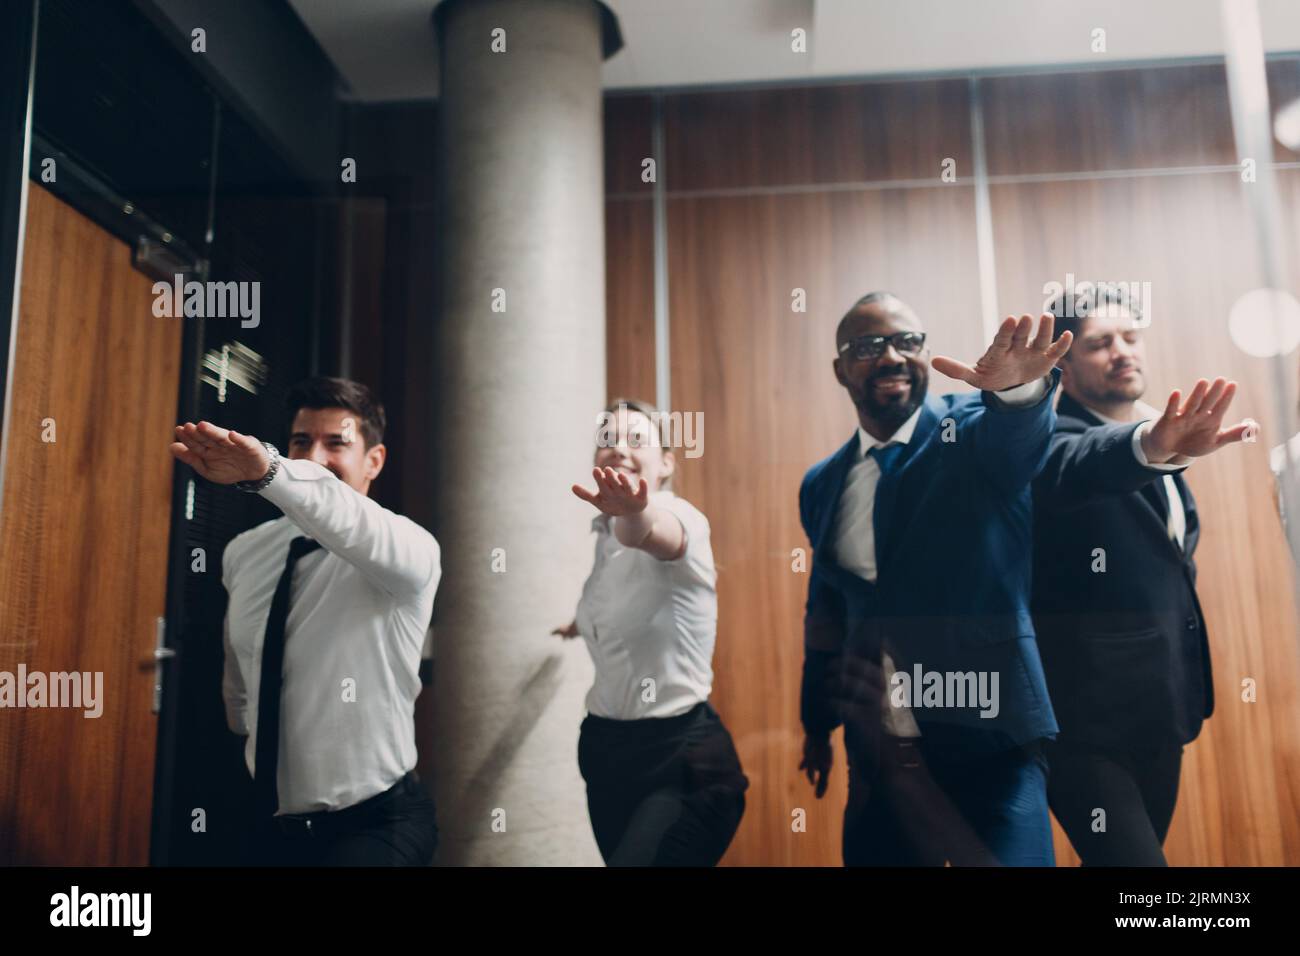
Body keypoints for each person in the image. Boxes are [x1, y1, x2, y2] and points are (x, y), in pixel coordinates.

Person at [798, 292, 1071, 866]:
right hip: (880, 747)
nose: (893, 356)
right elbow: (825, 608)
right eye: (869, 346)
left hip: (993, 738)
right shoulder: (822, 484)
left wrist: (1018, 397)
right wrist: (817, 724)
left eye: (907, 342)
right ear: (840, 369)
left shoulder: (970, 428)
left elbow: (1015, 444)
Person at [169, 377, 441, 866]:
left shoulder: (407, 550)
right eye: (300, 442)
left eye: (336, 443)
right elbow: (241, 674)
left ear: (374, 461)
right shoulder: (244, 553)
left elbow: (344, 516)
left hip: (376, 823)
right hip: (265, 817)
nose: (314, 458)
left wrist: (270, 470)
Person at [1032, 283, 1253, 865]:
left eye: (1131, 336)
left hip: (1161, 713)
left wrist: (1157, 443)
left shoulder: (1164, 432)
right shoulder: (1049, 443)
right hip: (1081, 729)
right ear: (1065, 366)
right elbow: (1085, 464)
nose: (1123, 351)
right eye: (1101, 344)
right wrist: (1147, 447)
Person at [554, 398, 748, 866]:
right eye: (607, 440)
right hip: (605, 754)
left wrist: (633, 515)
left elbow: (647, 532)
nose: (618, 448)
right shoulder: (603, 538)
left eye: (636, 440)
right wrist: (577, 625)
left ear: (665, 463)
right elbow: (616, 606)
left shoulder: (679, 519)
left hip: (680, 761)